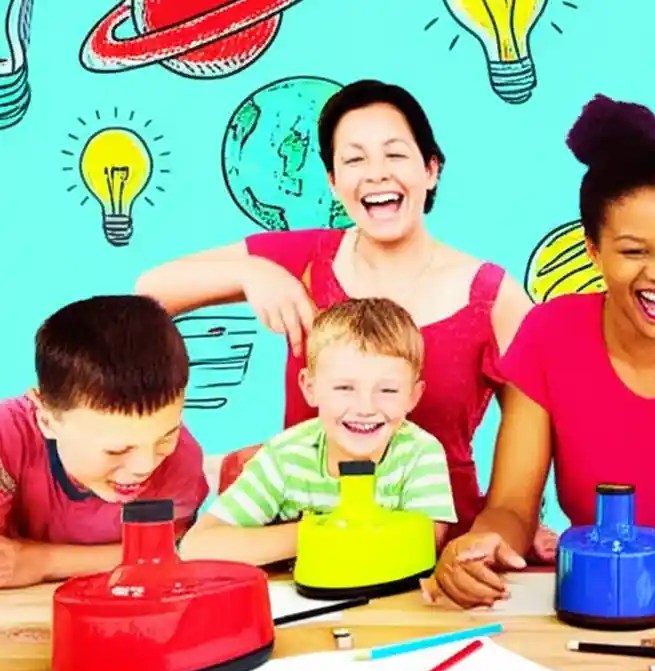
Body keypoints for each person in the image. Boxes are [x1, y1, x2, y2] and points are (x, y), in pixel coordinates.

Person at [134, 79, 552, 554]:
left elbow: (517, 490)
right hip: (301, 550)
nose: (376, 174)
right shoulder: (304, 259)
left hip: (436, 550)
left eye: (395, 154)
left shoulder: (496, 299)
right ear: (333, 182)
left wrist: (496, 537)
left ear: (431, 169)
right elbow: (150, 291)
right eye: (354, 160)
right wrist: (250, 272)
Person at [424, 94, 655, 608]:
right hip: (600, 598)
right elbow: (511, 507)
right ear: (594, 251)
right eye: (633, 251)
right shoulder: (549, 335)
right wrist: (482, 545)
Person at [180, 298, 456, 566]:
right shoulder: (285, 456)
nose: (365, 408)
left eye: (388, 390)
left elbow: (425, 543)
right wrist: (320, 533)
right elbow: (197, 546)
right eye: (344, 388)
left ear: (413, 396)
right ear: (310, 388)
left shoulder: (420, 453)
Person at [0, 295, 207, 588]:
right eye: (117, 450)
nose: (144, 465)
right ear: (45, 419)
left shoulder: (181, 458)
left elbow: (169, 552)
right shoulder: (7, 437)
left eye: (167, 436)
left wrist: (42, 561)